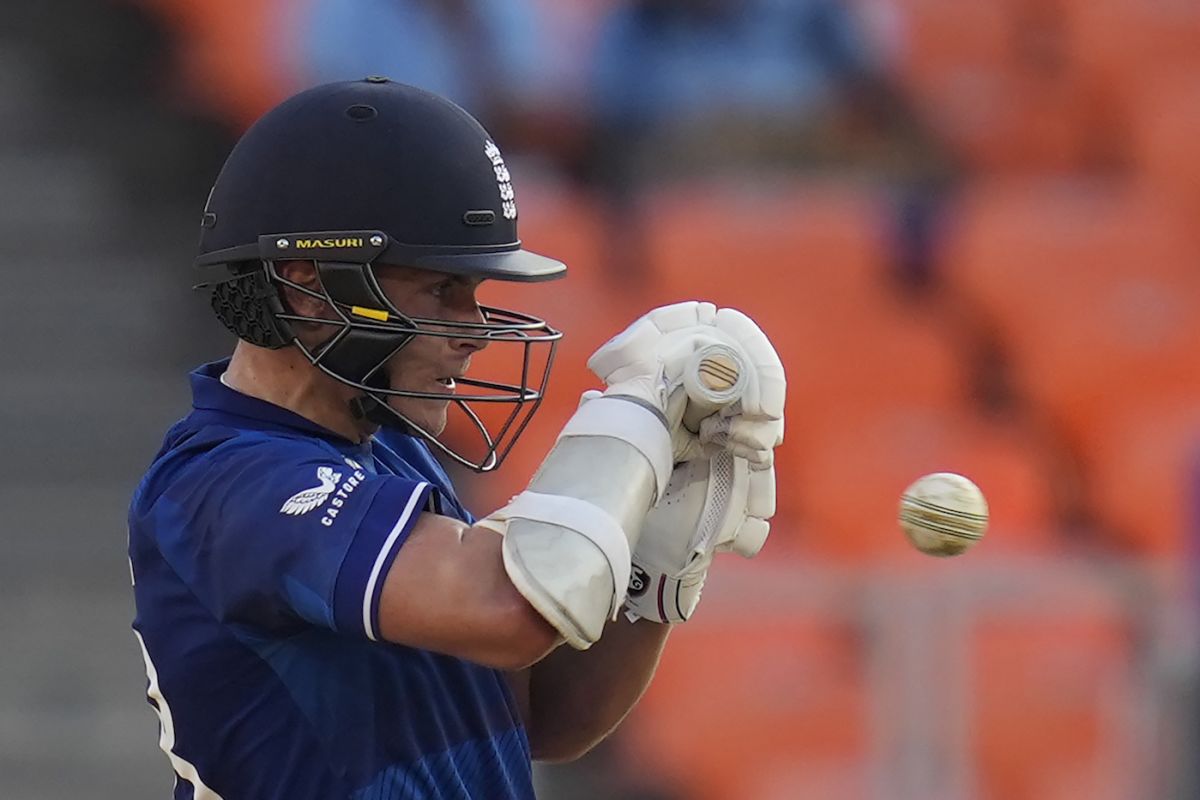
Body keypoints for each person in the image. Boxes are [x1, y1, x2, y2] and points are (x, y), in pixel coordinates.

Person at [128, 78, 785, 799]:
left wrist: (652, 562)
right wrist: (632, 424)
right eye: (444, 290)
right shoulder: (225, 485)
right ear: (305, 284)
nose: (474, 332)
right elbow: (508, 611)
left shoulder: (388, 452)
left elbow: (549, 720)